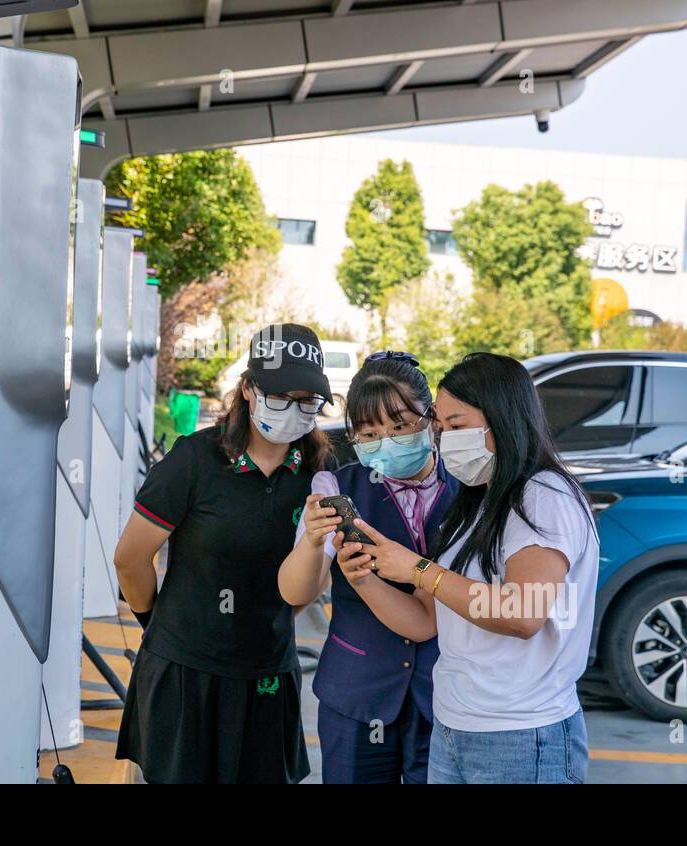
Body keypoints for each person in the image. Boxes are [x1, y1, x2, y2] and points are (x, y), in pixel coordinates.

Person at [336, 352, 598, 784]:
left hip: (521, 735)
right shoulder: (477, 502)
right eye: (440, 427)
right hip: (454, 727)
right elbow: (423, 621)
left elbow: (521, 614)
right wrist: (363, 574)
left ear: (502, 419)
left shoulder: (543, 496)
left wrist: (419, 569)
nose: (444, 439)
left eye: (457, 426)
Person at [113, 324, 334, 783]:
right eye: (280, 396)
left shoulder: (319, 472)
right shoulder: (195, 460)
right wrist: (155, 623)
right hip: (185, 674)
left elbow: (311, 583)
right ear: (249, 389)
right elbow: (131, 559)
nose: (294, 411)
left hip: (268, 673)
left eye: (307, 400)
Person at [279, 350, 457, 783]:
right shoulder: (335, 487)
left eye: (401, 427)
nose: (388, 442)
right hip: (356, 693)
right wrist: (313, 540)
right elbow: (295, 594)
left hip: (447, 696)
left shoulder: (467, 484)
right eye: (370, 433)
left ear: (430, 418)